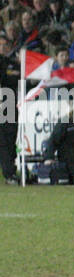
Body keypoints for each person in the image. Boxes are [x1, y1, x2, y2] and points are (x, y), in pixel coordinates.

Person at [0, 35, 18, 182]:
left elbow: (20, 80)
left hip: (9, 105)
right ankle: (9, 172)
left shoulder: (13, 64)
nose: (2, 48)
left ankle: (10, 170)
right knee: (4, 141)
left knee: (10, 139)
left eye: (5, 45)